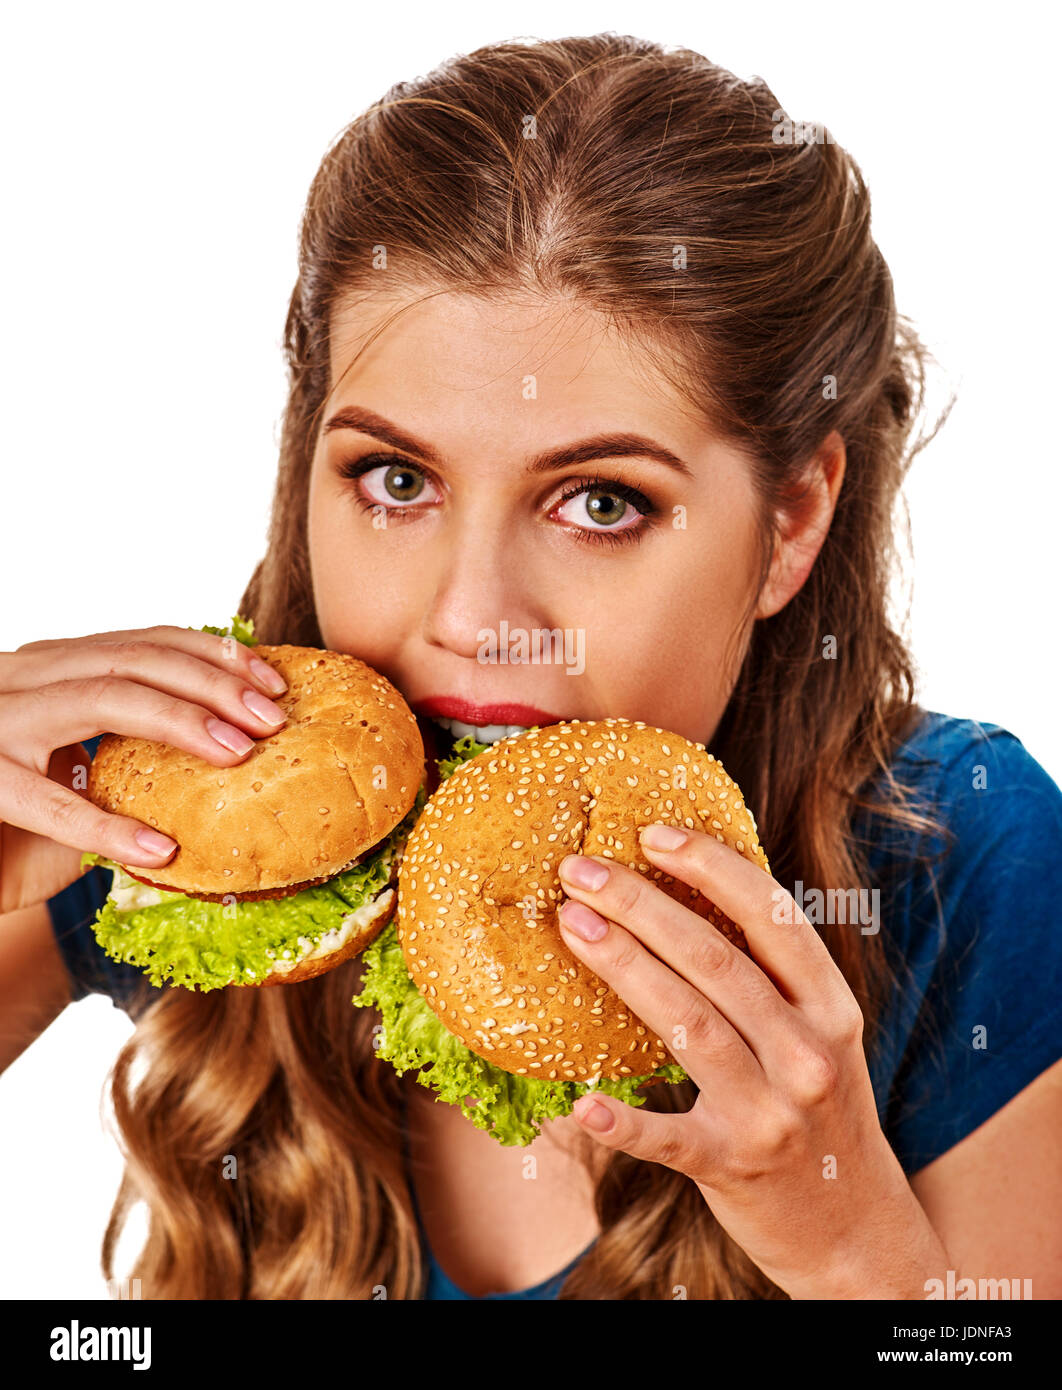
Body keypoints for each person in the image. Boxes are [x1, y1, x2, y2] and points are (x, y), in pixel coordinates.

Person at [2, 33, 1060, 1301]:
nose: (472, 618)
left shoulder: (961, 854)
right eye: (397, 480)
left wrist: (847, 1247)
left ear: (790, 522)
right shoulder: (183, 814)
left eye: (601, 502)